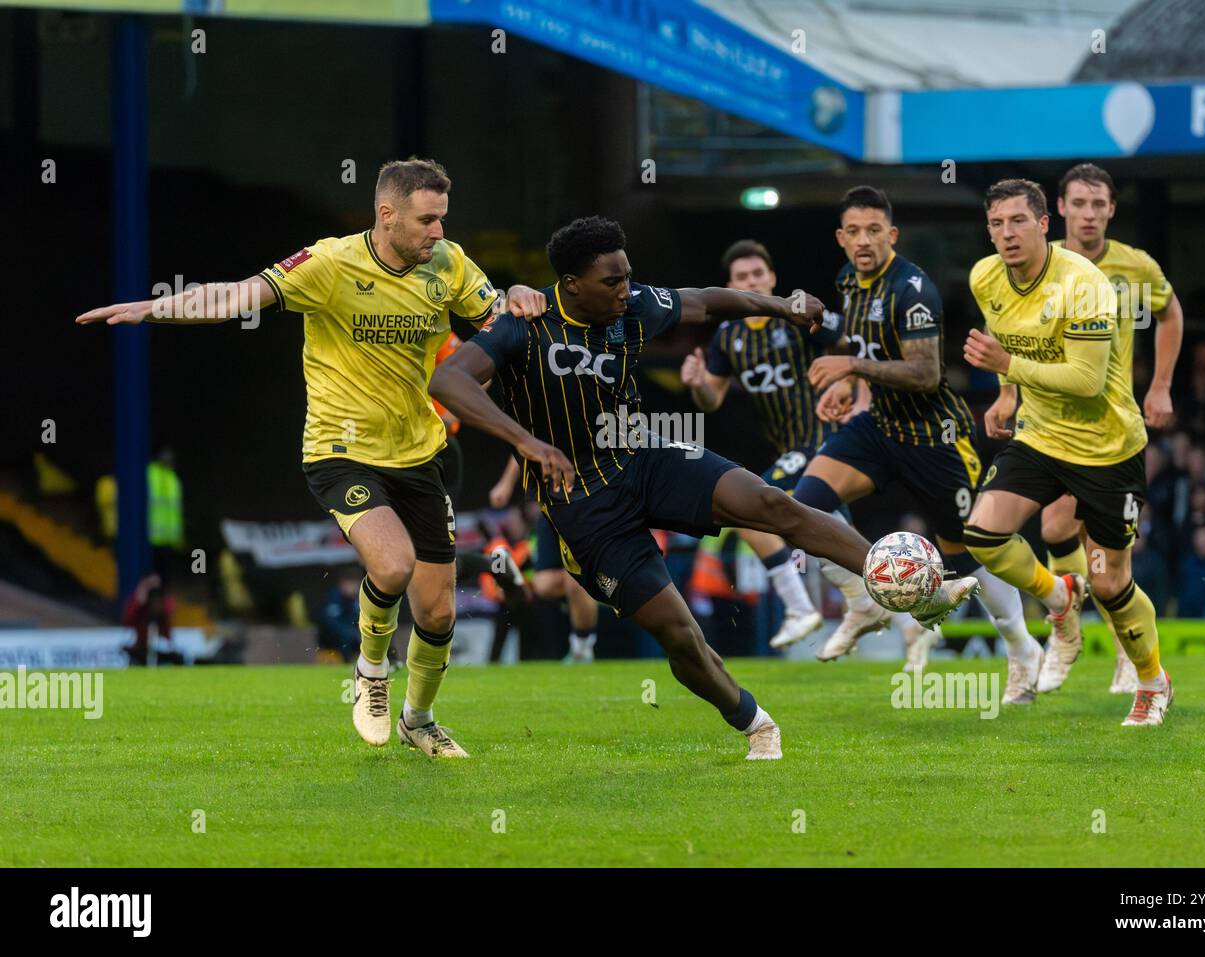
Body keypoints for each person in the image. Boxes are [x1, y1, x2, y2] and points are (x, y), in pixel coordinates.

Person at [429, 216, 977, 760]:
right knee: (680, 635)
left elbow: (706, 300)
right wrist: (526, 442)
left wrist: (782, 305)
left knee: (772, 503)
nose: (626, 290)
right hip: (584, 503)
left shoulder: (633, 306)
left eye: (627, 277)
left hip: (642, 453)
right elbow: (448, 380)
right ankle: (755, 722)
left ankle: (917, 590)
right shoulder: (524, 323)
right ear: (572, 285)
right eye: (612, 282)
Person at [77, 157, 539, 759]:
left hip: (420, 450)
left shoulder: (447, 265)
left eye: (443, 220)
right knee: (393, 567)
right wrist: (155, 307)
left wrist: (523, 297)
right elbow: (240, 295)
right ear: (387, 214)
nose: (438, 233)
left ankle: (418, 718)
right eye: (427, 221)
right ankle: (371, 673)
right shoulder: (328, 263)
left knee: (437, 609)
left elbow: (499, 321)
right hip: (340, 451)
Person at [788, 186, 1035, 698]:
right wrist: (849, 387)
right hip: (879, 428)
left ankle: (1022, 649)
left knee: (973, 558)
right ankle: (863, 599)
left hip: (936, 438)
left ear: (891, 235)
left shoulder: (913, 288)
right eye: (853, 231)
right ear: (840, 238)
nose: (864, 240)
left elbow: (924, 374)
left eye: (874, 230)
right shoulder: (847, 281)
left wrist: (851, 367)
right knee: (803, 505)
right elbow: (863, 344)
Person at [964, 178, 1172, 726]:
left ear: (1042, 224)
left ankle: (1152, 680)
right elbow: (1007, 330)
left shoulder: (1085, 283)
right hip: (1040, 439)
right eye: (995, 223)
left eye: (1016, 221)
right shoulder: (985, 276)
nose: (1005, 234)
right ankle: (1058, 596)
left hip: (1107, 449)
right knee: (983, 534)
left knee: (1110, 581)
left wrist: (1006, 370)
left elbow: (1084, 380)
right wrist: (1007, 395)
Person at [1013, 163, 1184, 695]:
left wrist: (1160, 385)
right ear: (1059, 209)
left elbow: (1171, 313)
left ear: (1111, 210)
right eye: (1079, 204)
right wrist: (1002, 393)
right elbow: (1008, 334)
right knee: (1056, 528)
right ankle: (1070, 625)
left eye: (1099, 205)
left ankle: (1122, 653)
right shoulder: (1037, 267)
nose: (1089, 214)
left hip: (1110, 430)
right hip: (1047, 424)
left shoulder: (1135, 267)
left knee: (1104, 559)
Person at [679, 239, 847, 650]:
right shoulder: (727, 336)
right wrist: (699, 383)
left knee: (745, 509)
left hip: (823, 440)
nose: (751, 281)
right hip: (789, 449)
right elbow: (712, 401)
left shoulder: (796, 318)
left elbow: (848, 343)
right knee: (838, 540)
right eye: (742, 277)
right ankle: (908, 607)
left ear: (772, 278)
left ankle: (799, 607)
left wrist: (852, 389)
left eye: (758, 274)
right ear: (731, 285)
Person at [490, 457, 600, 662]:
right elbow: (522, 444)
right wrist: (506, 484)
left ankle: (582, 649)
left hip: (583, 505)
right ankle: (589, 594)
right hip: (550, 507)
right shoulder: (538, 429)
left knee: (574, 581)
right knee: (545, 584)